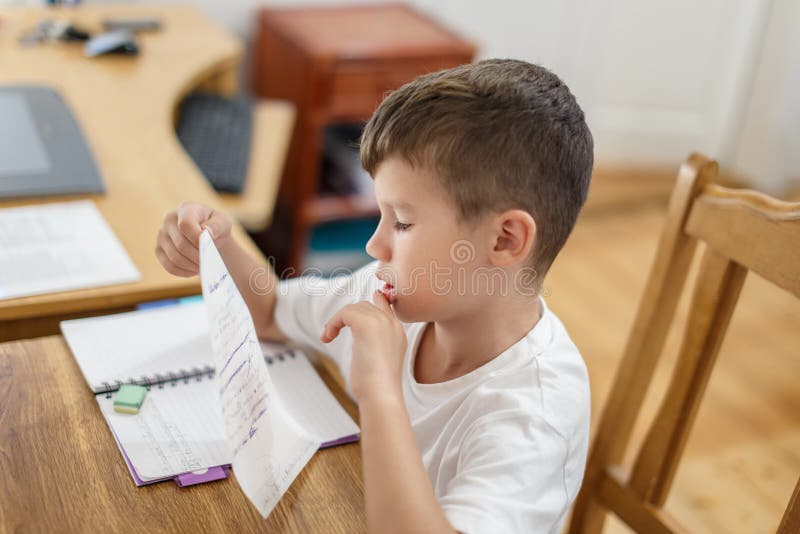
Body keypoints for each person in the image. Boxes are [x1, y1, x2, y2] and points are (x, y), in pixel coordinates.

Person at [156, 59, 593, 533]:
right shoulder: (388, 294)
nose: (374, 245)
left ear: (505, 239)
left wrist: (379, 391)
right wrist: (219, 248)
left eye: (402, 222)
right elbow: (271, 312)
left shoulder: (535, 416)